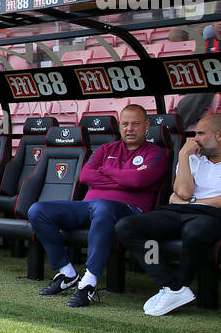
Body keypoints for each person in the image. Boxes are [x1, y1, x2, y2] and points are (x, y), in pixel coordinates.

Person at [116, 113, 221, 316]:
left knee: (195, 230)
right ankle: (171, 285)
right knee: (127, 226)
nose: (195, 139)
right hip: (179, 212)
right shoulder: (192, 159)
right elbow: (181, 192)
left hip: (220, 218)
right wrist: (183, 156)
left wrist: (193, 202)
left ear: (219, 135)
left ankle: (181, 282)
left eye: (201, 133)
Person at [29, 106, 167, 308]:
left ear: (147, 125)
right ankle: (67, 273)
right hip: (90, 207)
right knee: (38, 210)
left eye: (136, 123)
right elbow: (85, 176)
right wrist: (124, 178)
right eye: (125, 124)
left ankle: (89, 282)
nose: (130, 128)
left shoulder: (156, 153)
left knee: (103, 207)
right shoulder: (106, 149)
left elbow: (139, 179)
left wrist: (107, 171)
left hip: (130, 212)